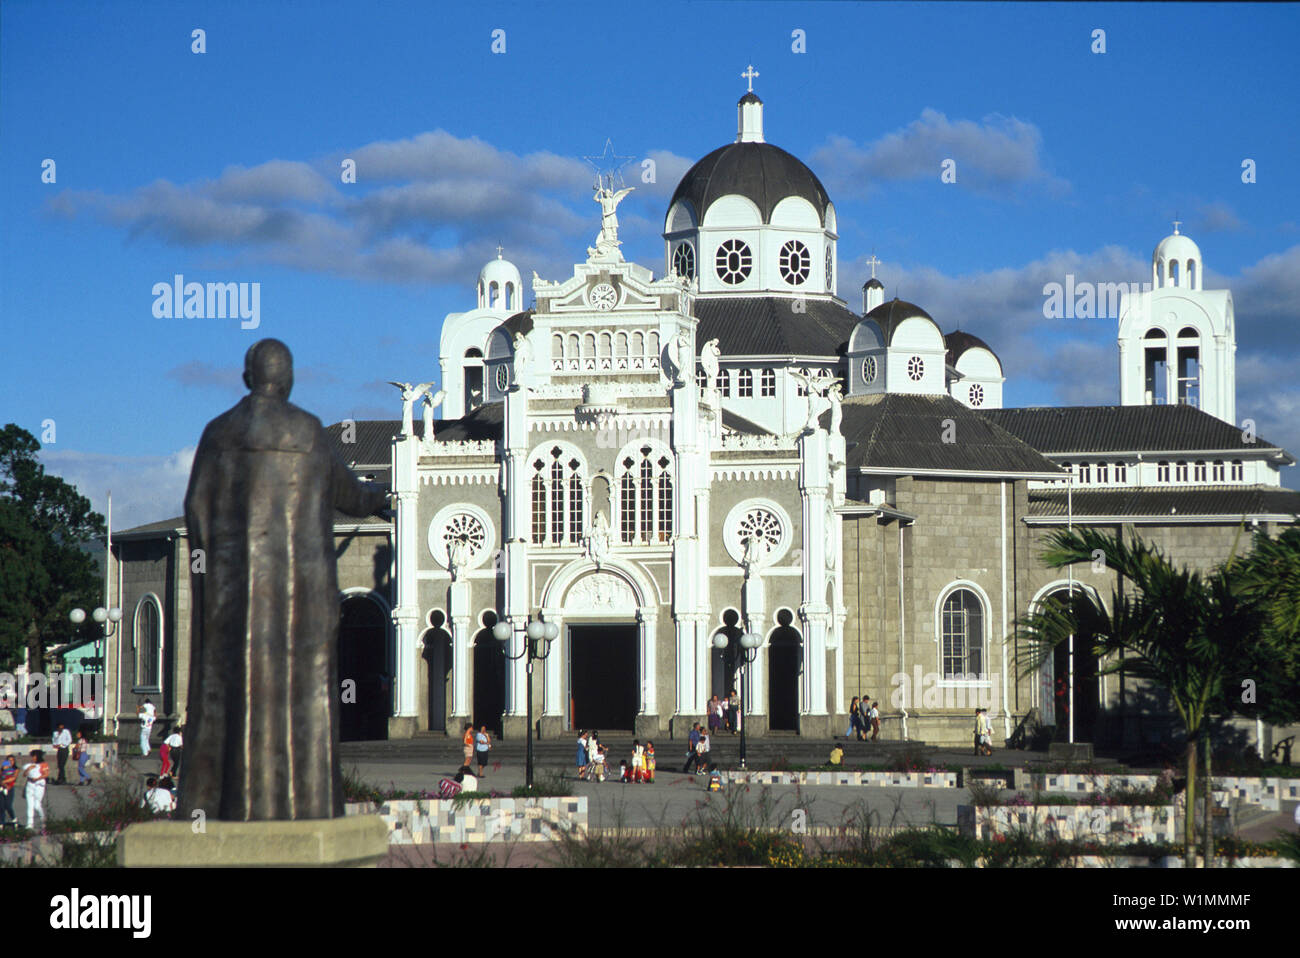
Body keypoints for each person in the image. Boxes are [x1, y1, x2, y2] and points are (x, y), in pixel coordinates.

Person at [177, 339, 389, 822]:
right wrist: (381, 495)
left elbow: (195, 508)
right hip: (301, 596)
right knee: (304, 693)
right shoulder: (307, 432)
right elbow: (352, 495)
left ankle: (220, 807)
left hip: (232, 599)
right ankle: (304, 806)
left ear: (248, 375)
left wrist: (210, 576)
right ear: (287, 378)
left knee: (226, 690)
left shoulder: (219, 433)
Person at [22, 749, 48, 830]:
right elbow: (24, 775)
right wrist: (28, 769)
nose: (32, 758)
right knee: (30, 805)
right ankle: (30, 824)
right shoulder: (30, 765)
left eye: (34, 756)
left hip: (39, 785)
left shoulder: (43, 764)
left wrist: (37, 779)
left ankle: (43, 820)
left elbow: (46, 774)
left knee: (37, 804)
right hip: (30, 785)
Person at [0, 756, 17, 828]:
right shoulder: (2, 771)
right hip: (2, 788)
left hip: (10, 789)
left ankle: (14, 819)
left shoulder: (14, 770)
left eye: (12, 760)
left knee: (8, 806)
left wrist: (4, 782)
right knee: (1, 806)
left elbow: (13, 778)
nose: (10, 762)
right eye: (9, 761)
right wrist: (3, 783)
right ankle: (1, 822)